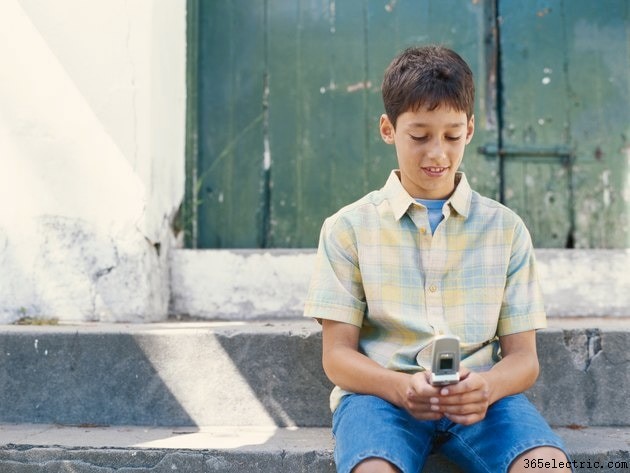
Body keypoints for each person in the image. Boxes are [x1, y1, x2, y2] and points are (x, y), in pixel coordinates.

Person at [304, 45, 572, 473]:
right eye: (419, 136)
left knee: (549, 465)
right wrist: (398, 387)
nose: (437, 154)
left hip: (484, 401)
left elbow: (524, 360)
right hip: (380, 400)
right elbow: (337, 356)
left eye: (451, 136)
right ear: (388, 129)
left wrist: (485, 387)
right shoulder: (347, 229)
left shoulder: (505, 230)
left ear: (469, 130)